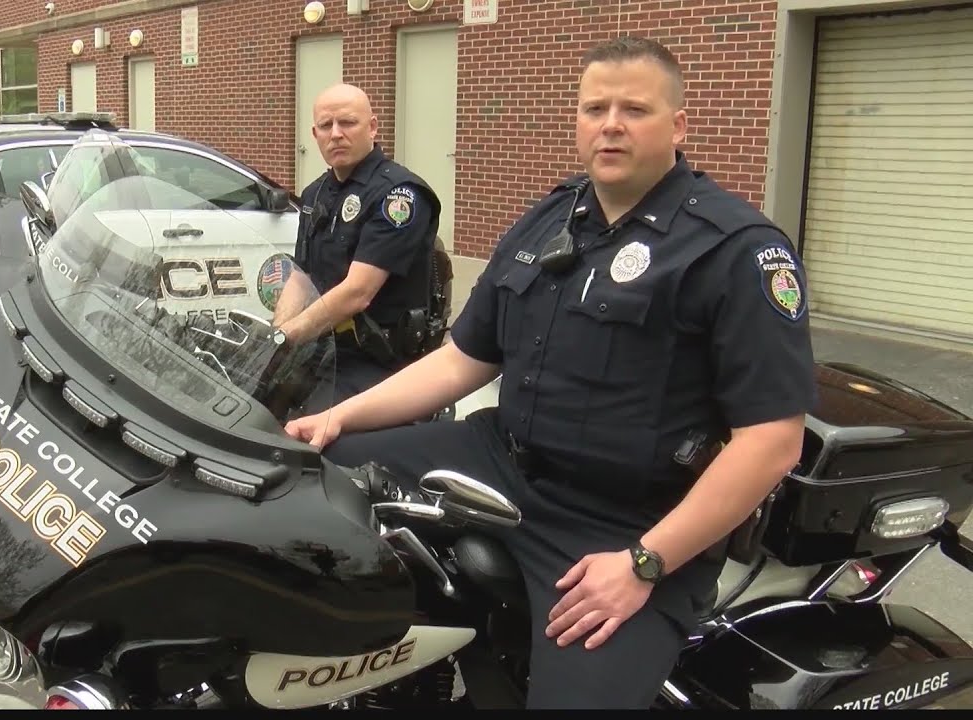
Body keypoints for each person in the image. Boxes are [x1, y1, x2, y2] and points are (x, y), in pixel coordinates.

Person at [284, 36, 817, 709]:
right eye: (596, 108)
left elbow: (771, 442)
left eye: (635, 109)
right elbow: (461, 360)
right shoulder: (550, 219)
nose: (611, 125)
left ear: (679, 125)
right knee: (305, 473)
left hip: (625, 522)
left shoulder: (735, 250)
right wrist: (336, 417)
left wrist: (644, 563)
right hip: (501, 463)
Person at [270, 83, 445, 411]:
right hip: (324, 346)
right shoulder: (315, 194)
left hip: (378, 359)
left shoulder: (399, 196)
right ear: (315, 134)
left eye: (348, 123)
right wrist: (277, 334)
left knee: (307, 428)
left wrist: (290, 335)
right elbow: (301, 275)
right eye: (326, 125)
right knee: (259, 398)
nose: (336, 134)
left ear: (372, 127)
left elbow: (358, 292)